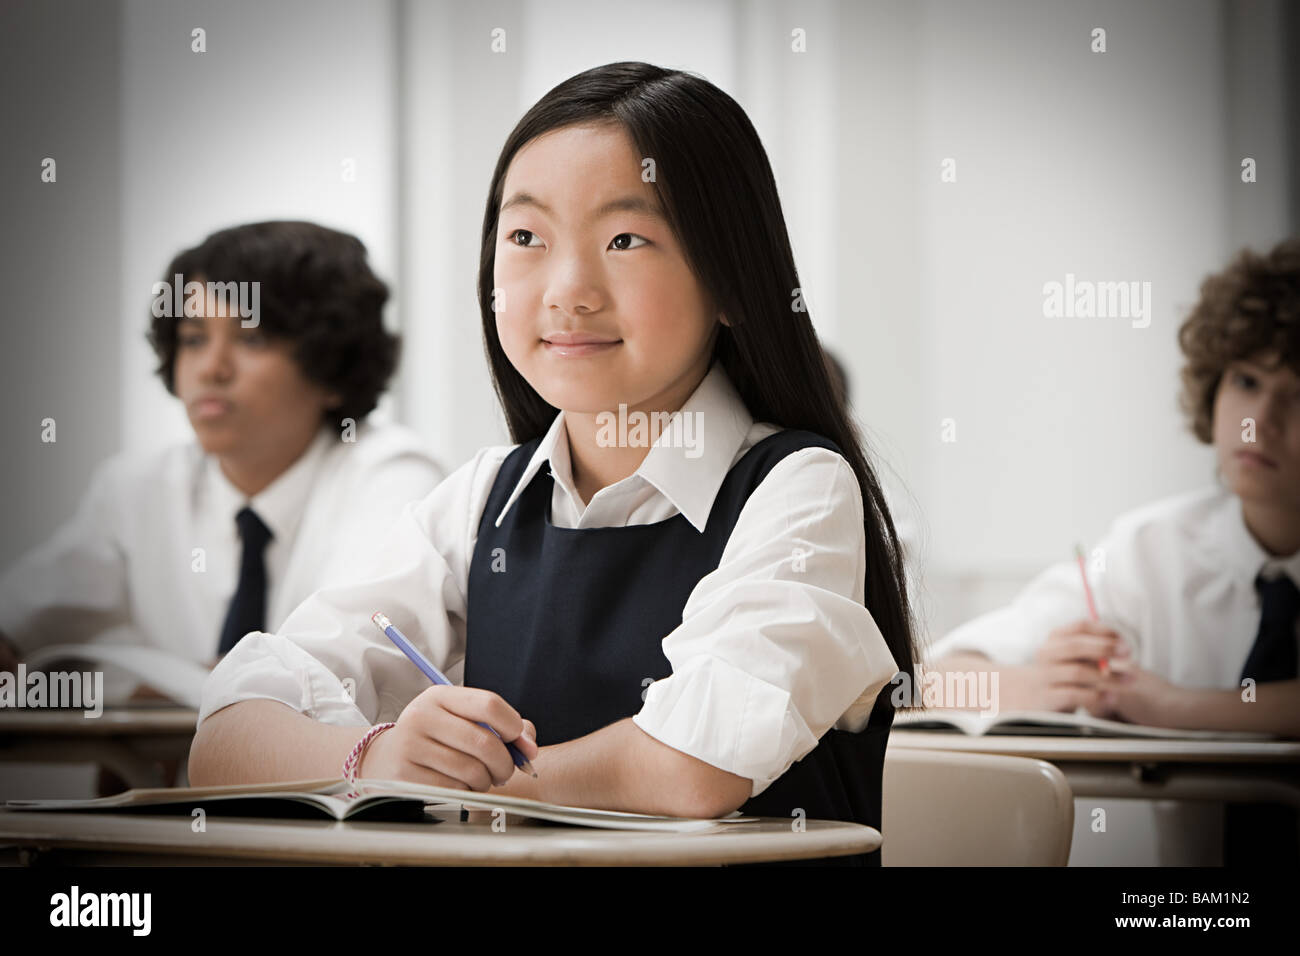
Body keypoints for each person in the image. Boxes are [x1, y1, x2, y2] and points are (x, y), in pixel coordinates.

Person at [189, 62, 918, 866]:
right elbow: (229, 731)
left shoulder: (797, 488)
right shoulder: (478, 502)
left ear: (731, 281)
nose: (567, 290)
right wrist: (378, 761)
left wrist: (456, 790)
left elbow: (692, 769)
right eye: (527, 237)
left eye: (626, 239)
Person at [926, 236, 1300, 864]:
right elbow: (931, 683)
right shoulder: (1151, 550)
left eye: (1297, 394)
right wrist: (1036, 684)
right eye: (1246, 380)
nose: (1256, 422)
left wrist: (1174, 707)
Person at [0, 221, 444, 703]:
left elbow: (334, 674)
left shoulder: (392, 476)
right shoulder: (137, 489)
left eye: (250, 339)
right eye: (192, 339)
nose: (210, 368)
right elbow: (18, 622)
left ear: (333, 367)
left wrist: (145, 688)